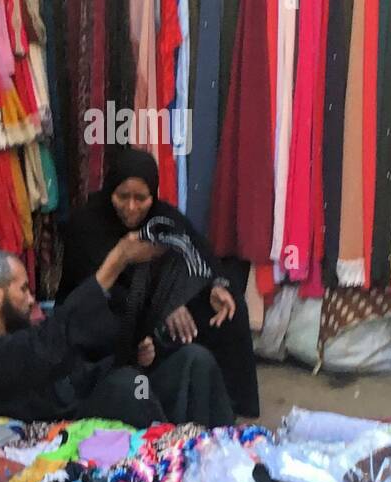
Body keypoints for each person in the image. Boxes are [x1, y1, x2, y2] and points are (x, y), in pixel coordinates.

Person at [0, 238, 234, 427]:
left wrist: (130, 350)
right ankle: (174, 470)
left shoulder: (30, 333)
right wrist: (113, 265)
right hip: (69, 429)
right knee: (127, 388)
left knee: (193, 362)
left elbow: (78, 366)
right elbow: (41, 352)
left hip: (88, 405)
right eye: (24, 289)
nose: (32, 300)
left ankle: (225, 464)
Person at [60, 147, 260, 419]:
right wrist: (162, 303)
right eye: (123, 197)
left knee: (225, 304)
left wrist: (215, 285)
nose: (131, 207)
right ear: (110, 191)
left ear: (153, 195)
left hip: (154, 317)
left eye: (141, 198)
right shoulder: (86, 226)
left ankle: (225, 404)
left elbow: (200, 253)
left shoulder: (163, 217)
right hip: (105, 321)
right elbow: (96, 289)